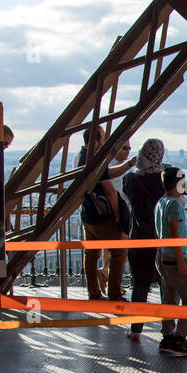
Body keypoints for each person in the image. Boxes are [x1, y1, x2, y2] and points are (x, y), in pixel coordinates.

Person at [119, 138, 167, 341]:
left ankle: (136, 329)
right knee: (166, 286)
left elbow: (125, 198)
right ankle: (168, 330)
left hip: (139, 237)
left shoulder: (130, 179)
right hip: (162, 238)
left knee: (140, 284)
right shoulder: (165, 177)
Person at [78, 129, 135, 301]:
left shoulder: (82, 156)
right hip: (103, 215)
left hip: (88, 213)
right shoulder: (95, 158)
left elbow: (108, 173)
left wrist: (128, 164)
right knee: (119, 252)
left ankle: (94, 292)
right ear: (97, 139)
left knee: (91, 254)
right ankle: (114, 292)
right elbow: (110, 191)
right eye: (103, 137)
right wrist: (118, 217)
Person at [154, 167, 187, 357]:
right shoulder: (174, 205)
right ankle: (180, 340)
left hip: (162, 256)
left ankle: (167, 337)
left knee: (169, 298)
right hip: (174, 257)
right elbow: (175, 234)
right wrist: (181, 261)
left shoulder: (161, 202)